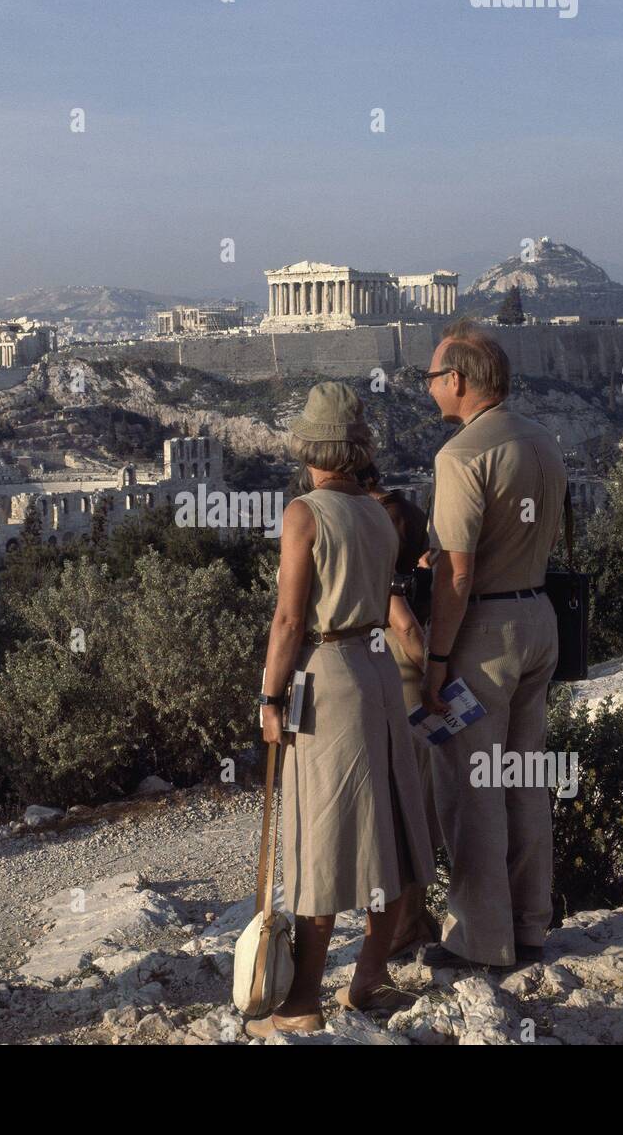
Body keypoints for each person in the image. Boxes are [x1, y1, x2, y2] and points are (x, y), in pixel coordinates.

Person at [251, 382, 436, 1037]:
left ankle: (301, 1002)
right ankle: (369, 975)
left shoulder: (305, 513)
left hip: (329, 674)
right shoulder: (377, 513)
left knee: (322, 837)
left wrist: (271, 697)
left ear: (307, 444)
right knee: (388, 826)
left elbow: (288, 618)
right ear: (355, 446)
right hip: (381, 670)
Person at [419, 321, 567, 970]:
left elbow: (457, 574)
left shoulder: (460, 456)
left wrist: (437, 659)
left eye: (431, 378)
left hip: (482, 635)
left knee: (474, 789)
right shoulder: (543, 441)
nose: (428, 389)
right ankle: (532, 927)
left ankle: (481, 942)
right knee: (525, 780)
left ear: (456, 380)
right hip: (538, 615)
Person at [354, 462, 444, 955]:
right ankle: (413, 916)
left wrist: (426, 669)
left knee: (399, 805)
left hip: (403, 670)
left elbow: (402, 619)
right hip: (424, 659)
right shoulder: (408, 509)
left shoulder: (374, 522)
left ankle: (401, 927)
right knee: (422, 804)